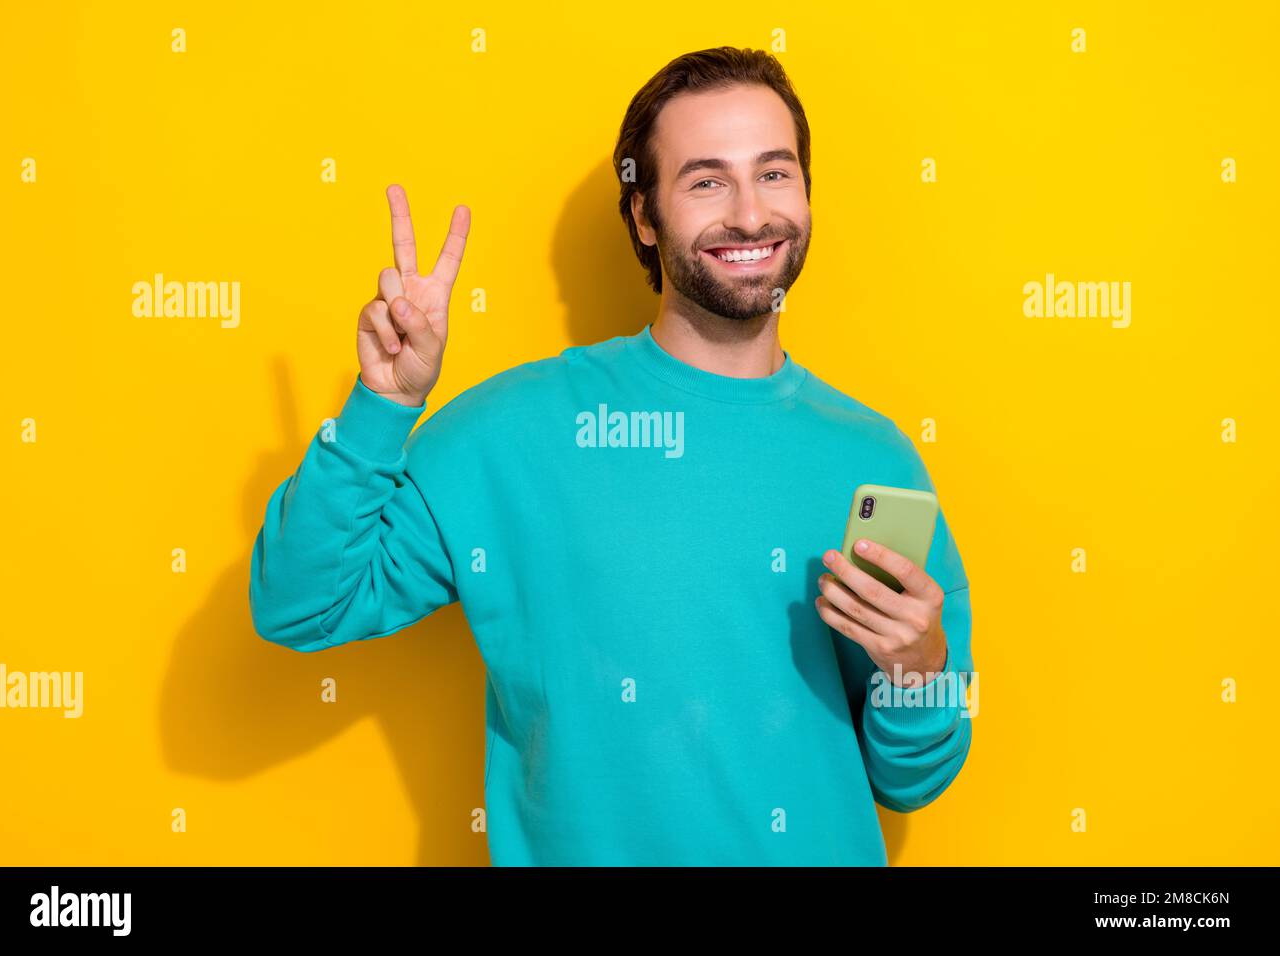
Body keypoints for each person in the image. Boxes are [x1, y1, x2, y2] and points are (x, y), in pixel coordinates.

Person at [249, 45, 974, 866]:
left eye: (775, 173)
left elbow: (914, 780)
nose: (748, 214)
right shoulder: (508, 430)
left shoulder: (874, 458)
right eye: (706, 181)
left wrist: (921, 667)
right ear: (642, 215)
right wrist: (383, 406)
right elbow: (301, 605)